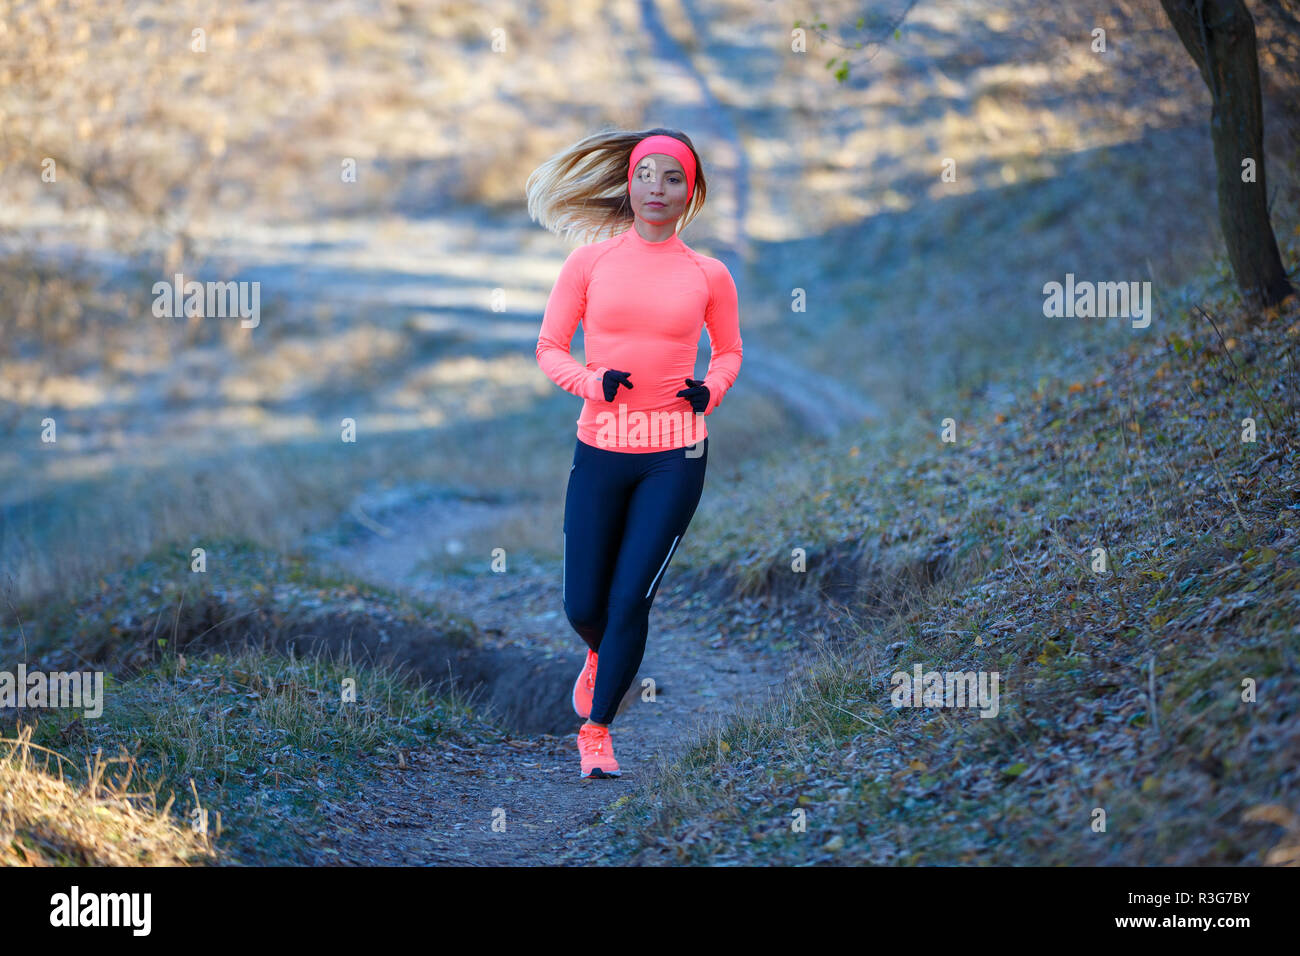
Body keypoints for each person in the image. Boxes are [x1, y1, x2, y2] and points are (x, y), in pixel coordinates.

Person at [526, 127, 743, 778]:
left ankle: (597, 733)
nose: (657, 186)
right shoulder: (588, 264)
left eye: (672, 177)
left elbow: (729, 351)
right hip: (601, 447)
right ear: (629, 182)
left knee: (630, 602)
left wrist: (714, 389)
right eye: (646, 173)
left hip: (675, 456)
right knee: (584, 607)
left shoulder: (708, 274)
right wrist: (593, 383)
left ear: (690, 193)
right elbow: (549, 347)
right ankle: (600, 655)